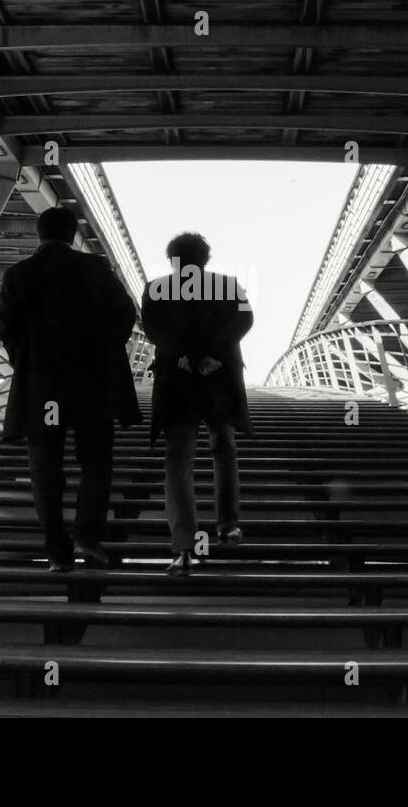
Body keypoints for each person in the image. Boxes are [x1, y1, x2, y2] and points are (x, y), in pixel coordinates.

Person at [0, 206, 141, 572]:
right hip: (93, 384)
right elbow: (126, 314)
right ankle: (88, 537)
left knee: (45, 465)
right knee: (96, 461)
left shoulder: (18, 275)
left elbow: (9, 331)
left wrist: (30, 366)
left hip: (44, 387)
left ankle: (56, 551)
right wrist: (105, 350)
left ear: (39, 234)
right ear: (74, 234)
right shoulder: (95, 268)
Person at [141, 233, 253, 575]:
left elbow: (154, 330)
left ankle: (185, 547)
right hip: (219, 377)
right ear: (206, 258)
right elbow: (244, 321)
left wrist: (188, 356)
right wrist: (212, 355)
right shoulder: (229, 285)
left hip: (177, 380)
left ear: (171, 259)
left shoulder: (156, 288)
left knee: (178, 458)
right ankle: (228, 525)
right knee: (224, 448)